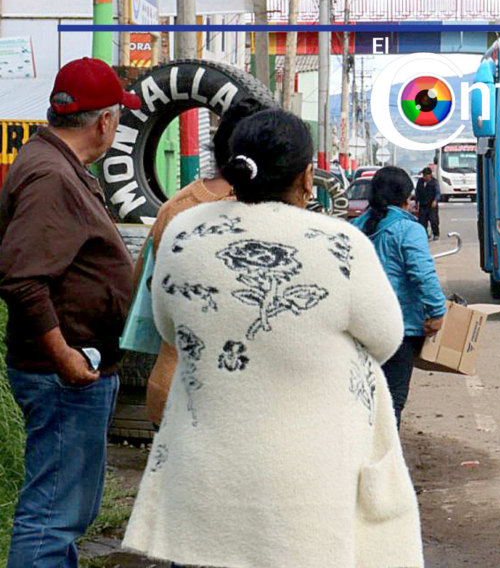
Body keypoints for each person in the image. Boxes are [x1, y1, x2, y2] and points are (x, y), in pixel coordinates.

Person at [122, 110, 423, 568]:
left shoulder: (184, 231)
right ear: (306, 177)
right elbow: (385, 338)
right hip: (302, 489)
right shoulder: (339, 245)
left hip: (203, 476)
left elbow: (169, 326)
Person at [0, 57, 141, 568]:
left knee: (64, 514)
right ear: (105, 122)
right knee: (51, 516)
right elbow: (20, 277)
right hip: (62, 375)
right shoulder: (50, 174)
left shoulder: (55, 163)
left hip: (74, 369)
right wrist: (63, 356)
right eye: (118, 117)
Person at [132, 97, 271, 428]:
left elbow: (142, 286)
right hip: (242, 404)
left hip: (172, 390)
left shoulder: (176, 208)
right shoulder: (275, 217)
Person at [353, 167, 447, 428]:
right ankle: (382, 463)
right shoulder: (408, 229)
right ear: (406, 196)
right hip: (399, 328)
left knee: (364, 398)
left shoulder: (355, 227)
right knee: (391, 401)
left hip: (359, 328)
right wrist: (437, 312)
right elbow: (423, 274)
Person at [415, 166, 440, 240]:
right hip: (423, 204)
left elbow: (438, 193)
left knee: (433, 220)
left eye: (426, 175)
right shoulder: (420, 181)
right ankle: (425, 234)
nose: (425, 177)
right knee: (422, 221)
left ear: (430, 175)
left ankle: (436, 234)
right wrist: (416, 202)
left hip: (432, 204)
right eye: (424, 175)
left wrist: (435, 200)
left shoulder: (434, 182)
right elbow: (417, 192)